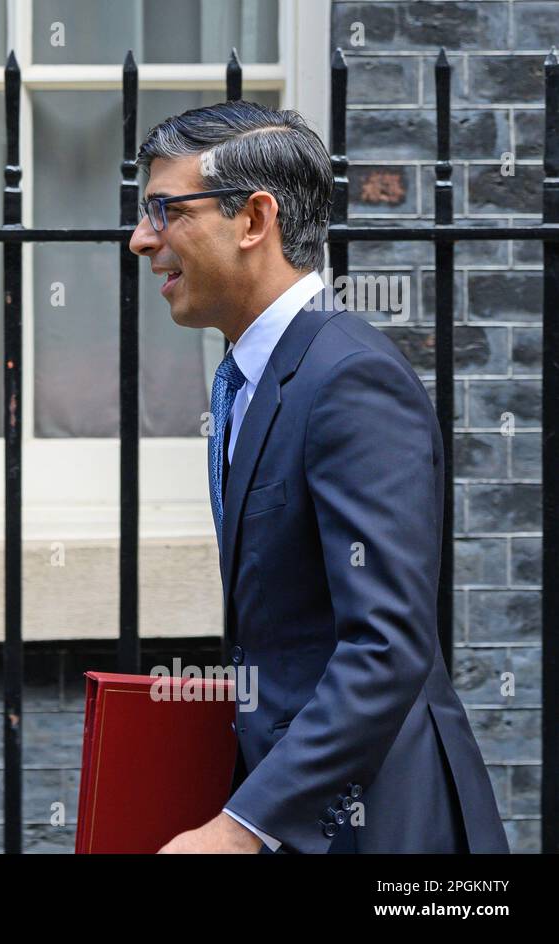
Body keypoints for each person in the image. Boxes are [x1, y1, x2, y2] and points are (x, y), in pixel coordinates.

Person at [128, 100, 509, 854]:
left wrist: (243, 829)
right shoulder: (252, 376)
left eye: (165, 209)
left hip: (388, 825)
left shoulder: (349, 377)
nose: (143, 239)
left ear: (253, 219)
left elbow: (386, 644)